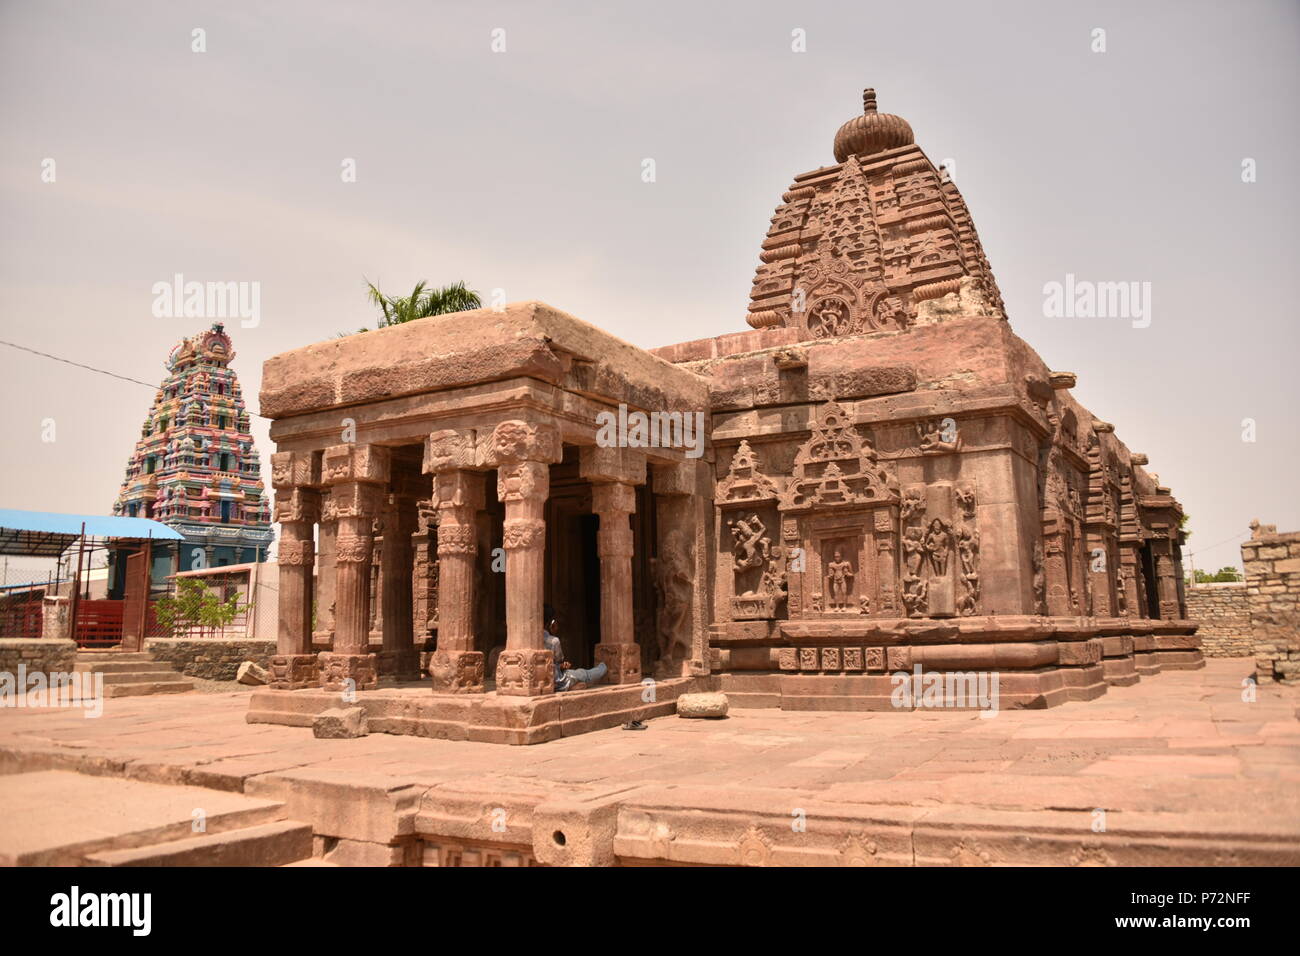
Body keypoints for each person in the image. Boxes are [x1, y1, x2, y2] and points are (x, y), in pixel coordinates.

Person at [543, 604, 607, 692]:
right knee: (584, 674)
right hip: (558, 682)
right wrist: (553, 634)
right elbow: (559, 659)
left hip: (545, 681)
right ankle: (605, 666)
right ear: (551, 622)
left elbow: (554, 663)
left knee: (577, 673)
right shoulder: (553, 641)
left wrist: (560, 666)